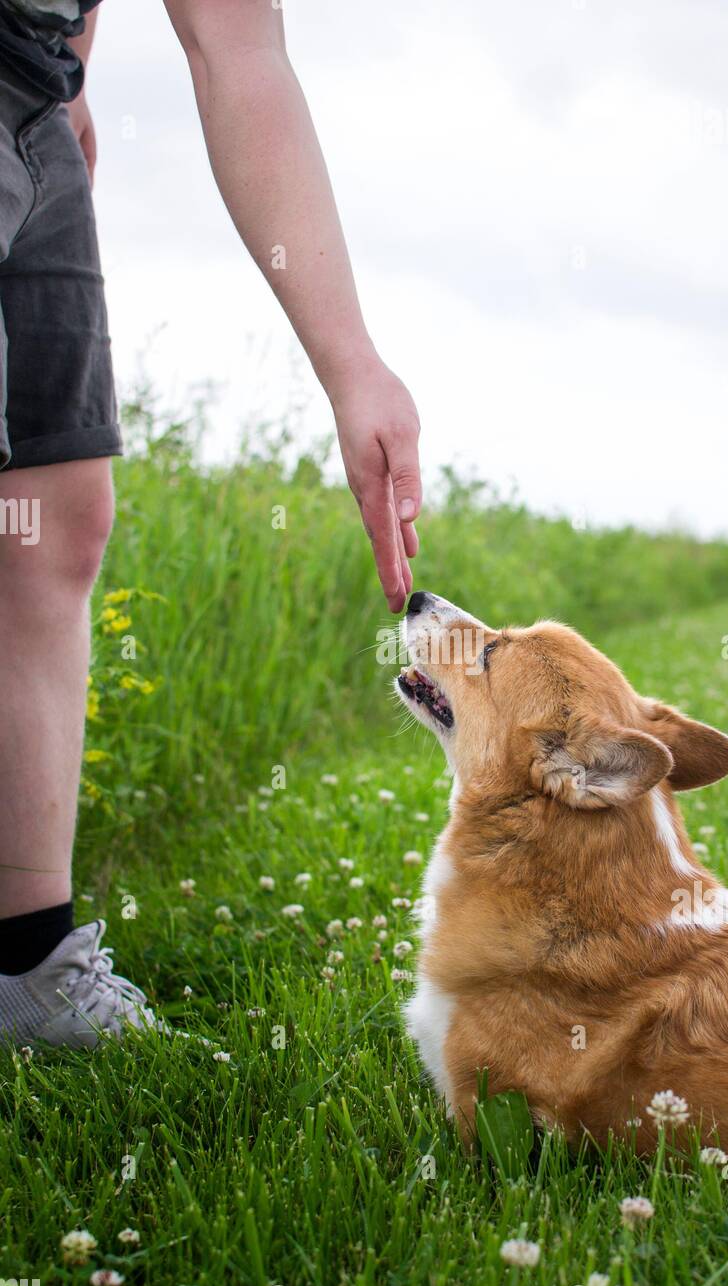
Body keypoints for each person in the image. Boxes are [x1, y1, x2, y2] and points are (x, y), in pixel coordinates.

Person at [0, 0, 422, 1047]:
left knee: (55, 521)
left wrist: (350, 364)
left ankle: (25, 969)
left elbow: (240, 53)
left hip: (32, 93)